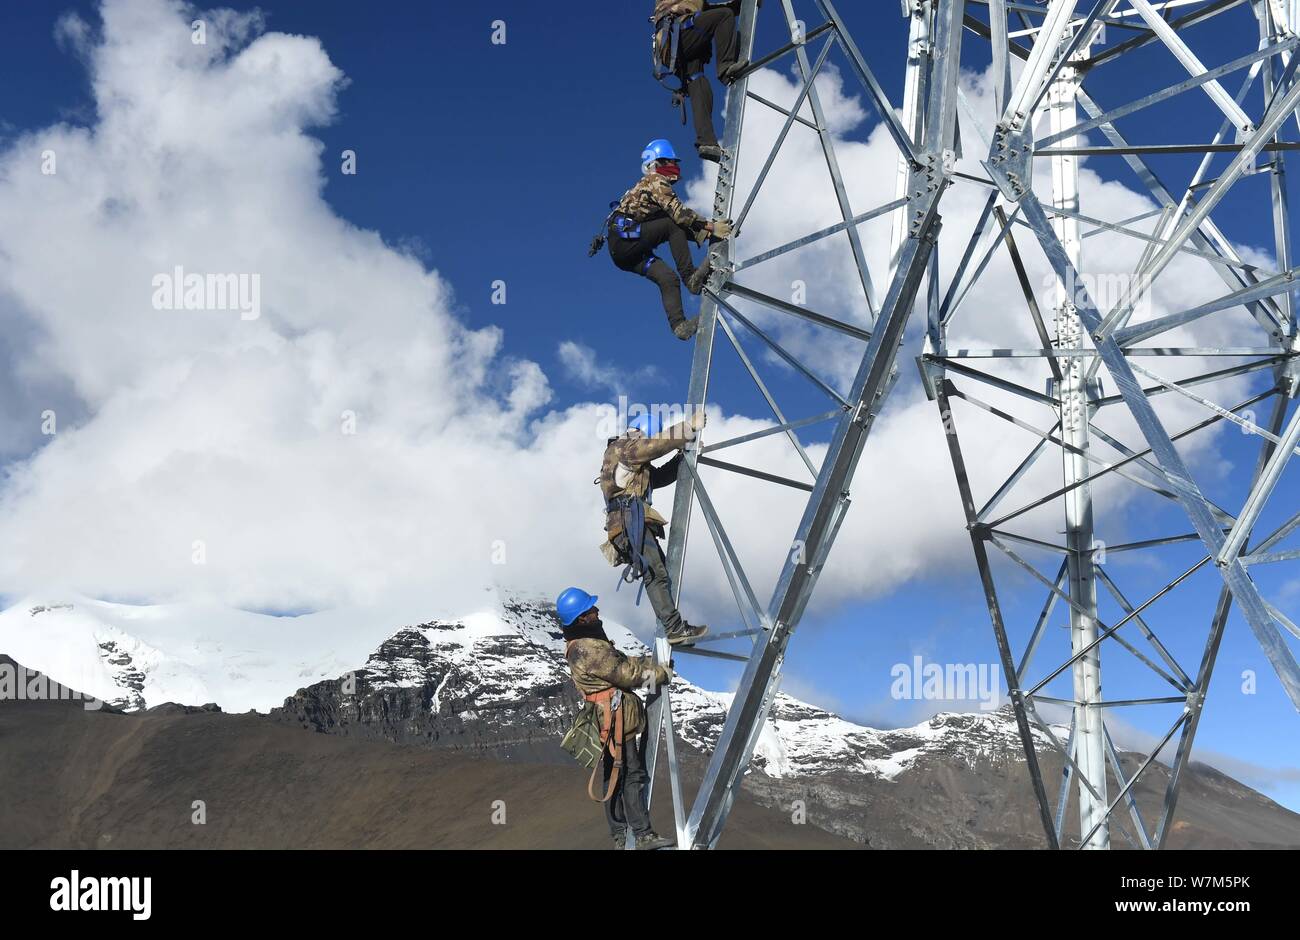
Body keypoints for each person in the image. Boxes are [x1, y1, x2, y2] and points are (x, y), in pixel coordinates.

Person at [556, 587, 677, 851]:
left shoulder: (583, 645)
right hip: (616, 718)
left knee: (615, 775)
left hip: (609, 718)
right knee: (631, 775)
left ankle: (621, 835)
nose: (597, 611)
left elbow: (622, 661)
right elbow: (628, 675)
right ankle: (642, 835)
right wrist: (661, 674)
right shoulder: (590, 648)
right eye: (590, 610)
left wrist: (649, 663)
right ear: (581, 618)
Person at [597, 408, 709, 646]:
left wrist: (682, 458)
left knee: (658, 573)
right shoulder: (624, 447)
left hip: (628, 522)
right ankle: (675, 629)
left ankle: (674, 627)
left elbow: (657, 479)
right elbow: (654, 446)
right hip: (629, 521)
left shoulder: (631, 460)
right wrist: (688, 428)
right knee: (655, 574)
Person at [606, 138, 733, 341]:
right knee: (671, 223)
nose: (676, 167)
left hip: (625, 252)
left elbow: (681, 225)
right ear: (661, 162)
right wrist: (711, 227)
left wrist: (708, 233)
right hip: (625, 239)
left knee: (667, 278)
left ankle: (679, 326)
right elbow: (679, 215)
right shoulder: (655, 179)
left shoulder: (648, 183)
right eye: (672, 162)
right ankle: (691, 278)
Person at [652, 1, 750, 163]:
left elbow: (709, 11)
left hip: (675, 44)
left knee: (698, 82)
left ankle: (707, 142)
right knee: (724, 16)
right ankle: (725, 67)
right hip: (677, 33)